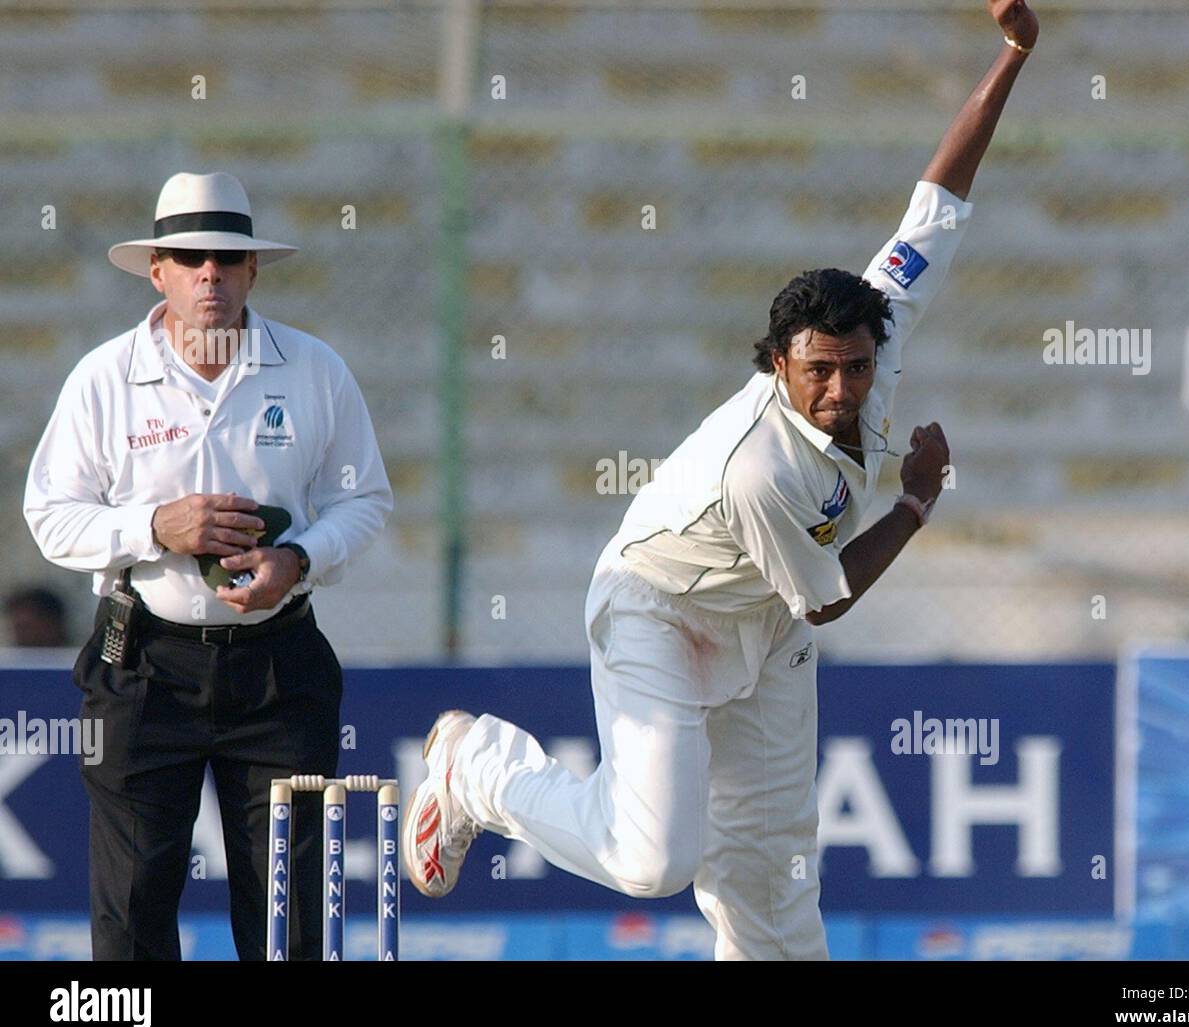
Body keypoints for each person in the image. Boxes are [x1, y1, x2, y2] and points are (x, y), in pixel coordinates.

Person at [402, 1, 1039, 959]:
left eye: (855, 368)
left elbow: (939, 197)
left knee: (773, 870)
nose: (838, 390)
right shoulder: (760, 468)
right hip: (662, 609)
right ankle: (479, 768)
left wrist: (1014, 55)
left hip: (764, 615)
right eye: (816, 370)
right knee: (653, 856)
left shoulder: (880, 322)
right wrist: (913, 502)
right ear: (777, 362)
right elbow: (826, 603)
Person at [23, 171, 393, 961]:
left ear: (255, 269)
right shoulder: (104, 377)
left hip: (278, 665)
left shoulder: (313, 368)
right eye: (190, 258)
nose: (209, 275)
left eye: (228, 259)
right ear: (157, 270)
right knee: (131, 907)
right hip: (144, 662)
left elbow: (366, 502)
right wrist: (157, 525)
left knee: (286, 914)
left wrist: (297, 558)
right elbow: (50, 515)